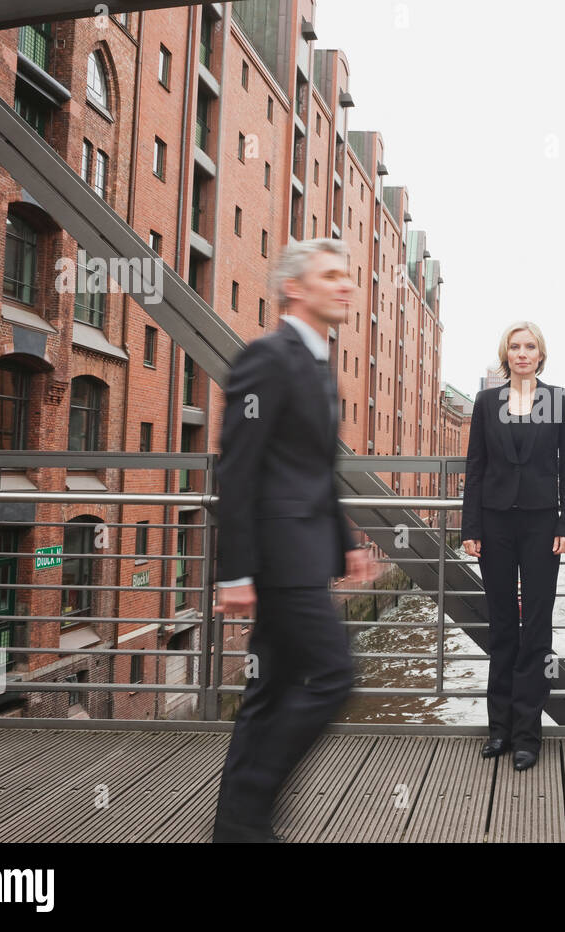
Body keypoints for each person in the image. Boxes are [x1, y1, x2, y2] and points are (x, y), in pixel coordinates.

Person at [211, 237, 374, 842]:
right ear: (295, 289)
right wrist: (235, 573)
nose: (345, 285)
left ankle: (235, 829)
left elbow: (314, 465)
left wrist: (347, 540)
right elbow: (238, 467)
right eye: (331, 275)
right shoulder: (268, 357)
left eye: (347, 275)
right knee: (334, 674)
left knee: (268, 690)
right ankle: (254, 802)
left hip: (304, 550)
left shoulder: (314, 362)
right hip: (281, 561)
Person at [461, 322, 565, 771]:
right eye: (515, 346)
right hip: (493, 526)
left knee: (537, 628)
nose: (522, 353)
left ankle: (529, 733)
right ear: (505, 354)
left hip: (541, 527)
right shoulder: (487, 401)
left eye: (530, 346)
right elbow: (475, 466)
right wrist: (470, 526)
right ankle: (499, 729)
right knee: (503, 625)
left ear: (540, 354)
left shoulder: (559, 401)